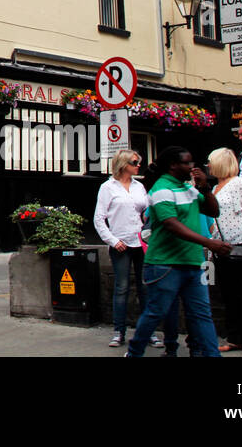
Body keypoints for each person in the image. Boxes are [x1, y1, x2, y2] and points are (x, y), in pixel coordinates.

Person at [125, 146, 231, 358]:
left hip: (193, 263)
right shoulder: (162, 189)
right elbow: (171, 224)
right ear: (173, 165)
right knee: (156, 312)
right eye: (187, 162)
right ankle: (135, 351)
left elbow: (213, 210)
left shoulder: (189, 189)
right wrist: (209, 243)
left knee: (202, 315)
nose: (192, 167)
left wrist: (205, 188)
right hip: (165, 264)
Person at [207, 146, 242, 356]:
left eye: (211, 161)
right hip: (220, 248)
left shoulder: (240, 184)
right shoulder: (214, 188)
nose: (208, 165)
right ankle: (235, 338)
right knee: (229, 296)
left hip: (238, 246)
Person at [94, 149, 153, 348]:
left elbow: (146, 211)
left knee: (145, 287)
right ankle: (119, 331)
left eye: (139, 162)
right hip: (121, 244)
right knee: (122, 287)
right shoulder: (107, 188)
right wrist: (112, 240)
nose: (138, 166)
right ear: (123, 164)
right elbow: (99, 219)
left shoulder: (139, 186)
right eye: (135, 162)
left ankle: (148, 331)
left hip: (141, 242)